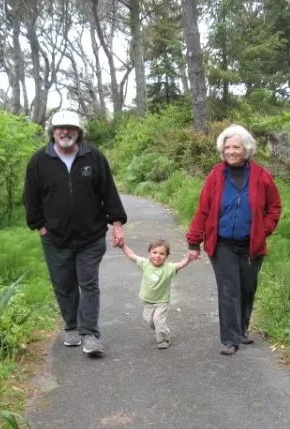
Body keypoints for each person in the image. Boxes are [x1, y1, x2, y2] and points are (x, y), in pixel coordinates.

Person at [23, 110, 127, 357]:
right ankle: (71, 326)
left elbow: (108, 192)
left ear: (79, 132)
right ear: (53, 131)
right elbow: (30, 197)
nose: (65, 132)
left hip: (90, 235)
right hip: (55, 237)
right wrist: (41, 227)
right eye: (60, 127)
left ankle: (90, 334)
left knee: (88, 283)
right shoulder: (39, 160)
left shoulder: (93, 157)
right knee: (64, 284)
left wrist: (117, 224)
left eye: (71, 127)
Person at [186, 124, 281, 356]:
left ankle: (242, 329)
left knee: (248, 288)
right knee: (229, 289)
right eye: (227, 147)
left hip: (251, 244)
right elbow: (203, 210)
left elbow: (274, 207)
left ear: (246, 149)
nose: (231, 151)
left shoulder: (261, 176)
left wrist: (264, 229)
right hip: (223, 244)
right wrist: (194, 241)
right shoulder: (216, 176)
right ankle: (229, 338)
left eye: (235, 147)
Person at [120, 239, 192, 349]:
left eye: (162, 254)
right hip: (148, 301)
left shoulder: (169, 268)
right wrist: (123, 246)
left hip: (162, 302)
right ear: (149, 253)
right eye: (155, 252)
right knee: (149, 321)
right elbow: (131, 255)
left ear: (166, 256)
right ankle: (163, 330)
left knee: (158, 320)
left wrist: (189, 257)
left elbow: (181, 264)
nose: (158, 256)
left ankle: (163, 340)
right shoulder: (145, 264)